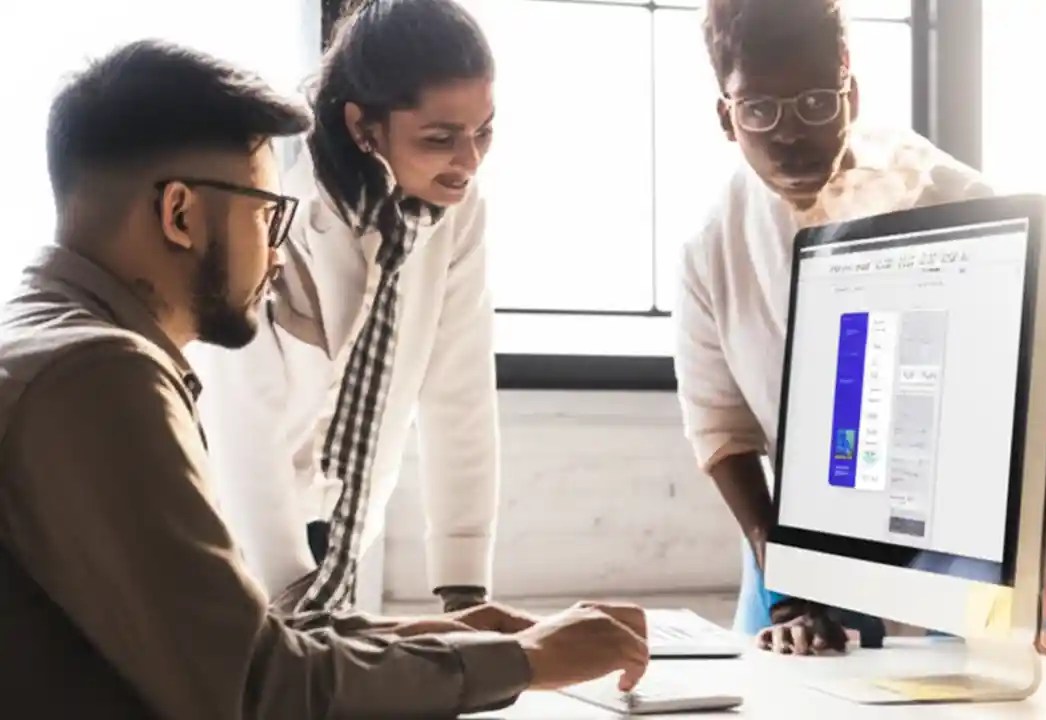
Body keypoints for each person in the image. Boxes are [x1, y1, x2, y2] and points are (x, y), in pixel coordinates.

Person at [0, 39, 647, 718]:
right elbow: (260, 686)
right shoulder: (100, 379)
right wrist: (529, 661)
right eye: (268, 213)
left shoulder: (50, 343)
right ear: (181, 214)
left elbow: (230, 648)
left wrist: (451, 633)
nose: (277, 254)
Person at [674, 0, 1046, 657]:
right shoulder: (714, 244)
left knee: (970, 683)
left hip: (959, 528)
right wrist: (790, 590)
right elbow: (722, 431)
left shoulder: (958, 203)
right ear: (725, 117)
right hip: (790, 528)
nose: (790, 135)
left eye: (817, 102)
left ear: (852, 89)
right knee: (788, 687)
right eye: (759, 108)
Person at [196, 0, 501, 615]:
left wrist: (464, 589)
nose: (469, 160)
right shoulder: (276, 204)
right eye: (440, 138)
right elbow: (242, 418)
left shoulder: (458, 212)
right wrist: (288, 585)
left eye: (485, 131)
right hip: (230, 512)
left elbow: (459, 391)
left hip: (343, 516)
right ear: (364, 126)